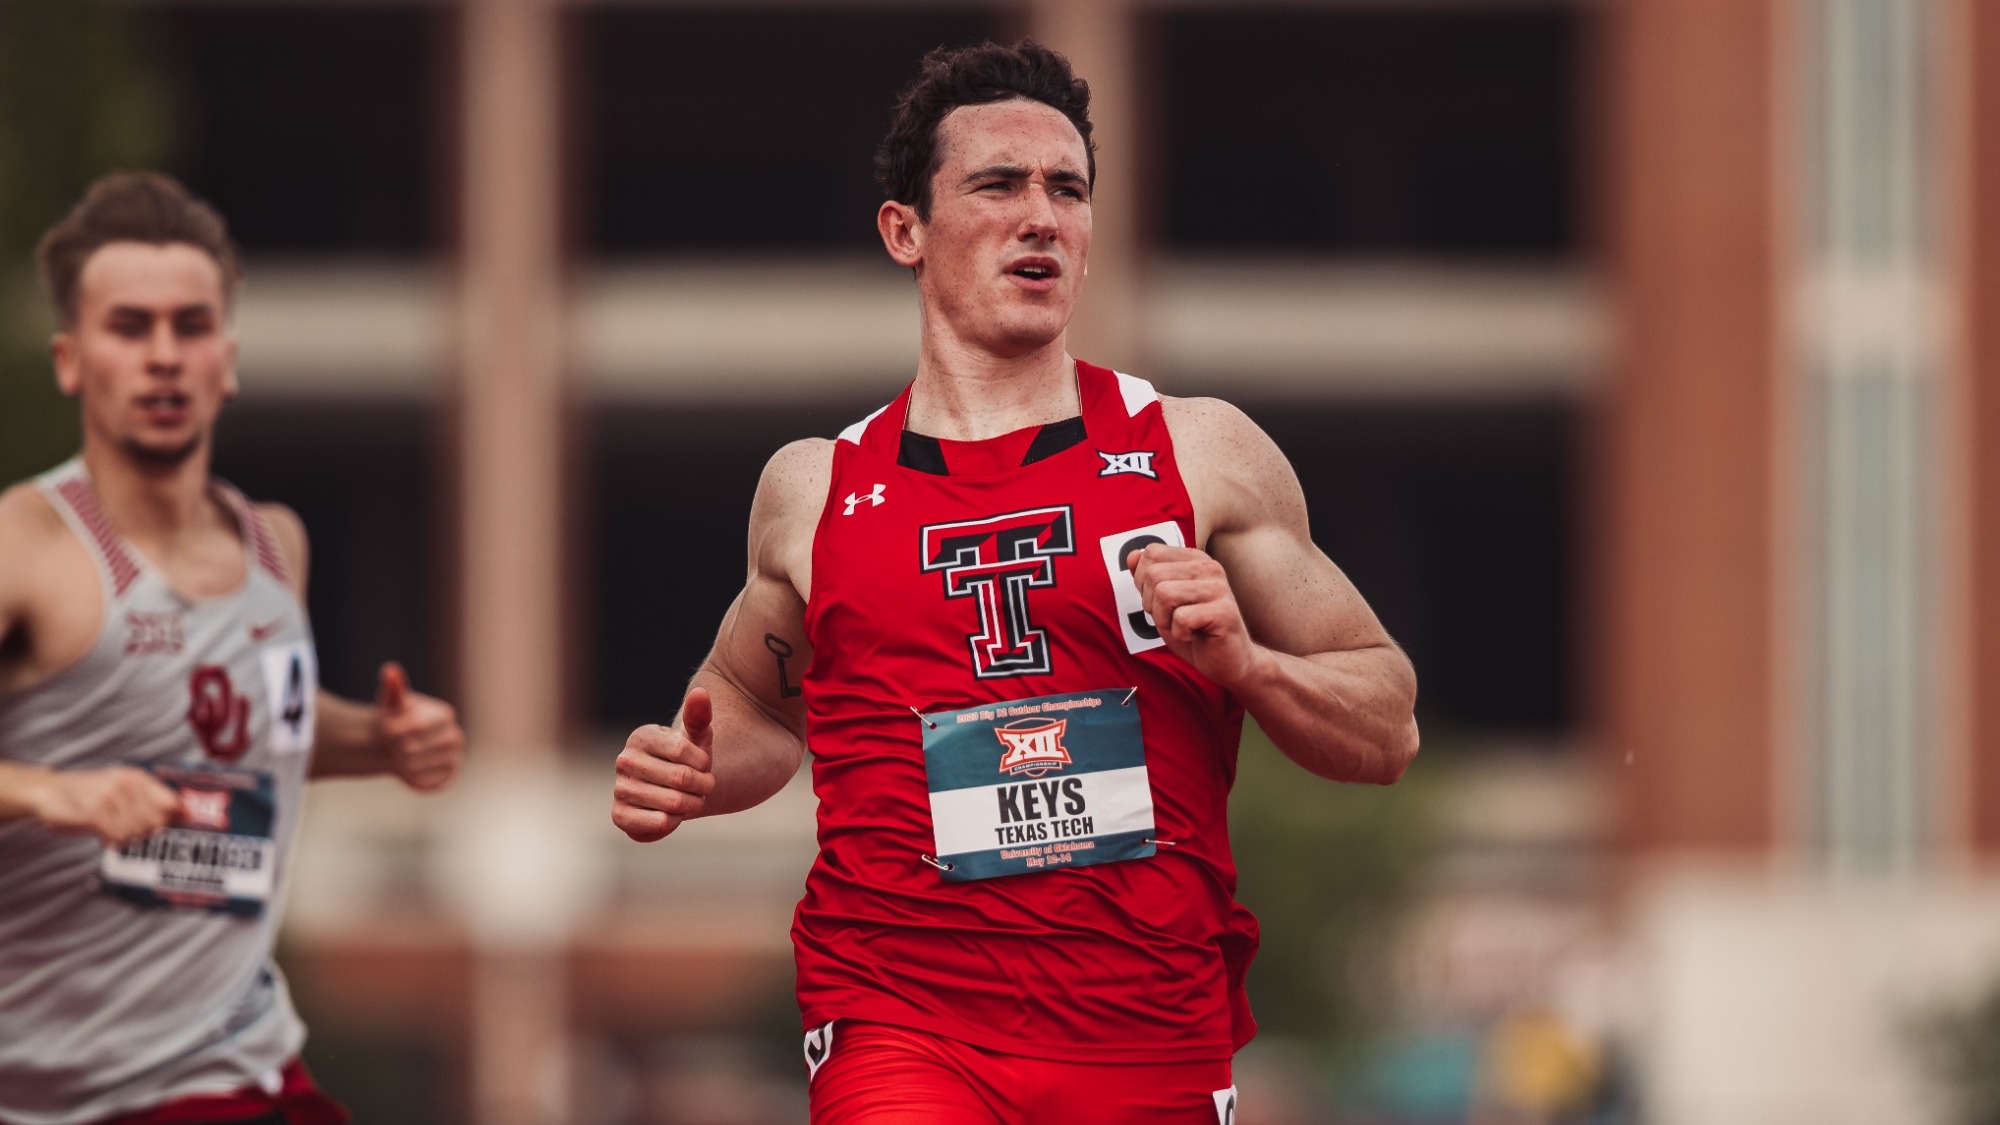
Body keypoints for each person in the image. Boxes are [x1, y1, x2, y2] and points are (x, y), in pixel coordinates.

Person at [611, 40, 1419, 1125]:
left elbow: (1387, 729)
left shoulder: (1199, 453)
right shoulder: (812, 489)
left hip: (1144, 1025)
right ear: (906, 230)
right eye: (997, 184)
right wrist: (693, 772)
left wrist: (1250, 664)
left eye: (1067, 190)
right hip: (898, 1013)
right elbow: (754, 701)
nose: (1041, 215)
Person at [0, 172, 466, 1125]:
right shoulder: (28, 546)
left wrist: (380, 741)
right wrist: (56, 791)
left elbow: (250, 729)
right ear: (70, 360)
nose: (165, 357)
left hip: (238, 1063)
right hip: (59, 1090)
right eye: (130, 328)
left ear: (230, 356)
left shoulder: (274, 547)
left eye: (191, 325)